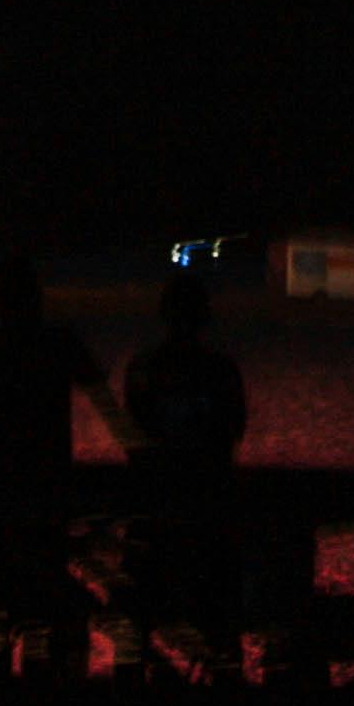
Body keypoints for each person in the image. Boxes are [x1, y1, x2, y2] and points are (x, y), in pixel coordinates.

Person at [0, 251, 122, 673]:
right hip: (51, 491)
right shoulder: (62, 344)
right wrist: (143, 455)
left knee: (5, 597)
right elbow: (109, 408)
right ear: (37, 296)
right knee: (50, 593)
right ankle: (55, 670)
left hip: (2, 495)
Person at [118, 260, 251, 681]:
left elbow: (135, 432)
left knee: (141, 612)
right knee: (215, 613)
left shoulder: (142, 369)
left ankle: (139, 673)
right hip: (209, 509)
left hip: (154, 507)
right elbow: (234, 429)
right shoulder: (222, 371)